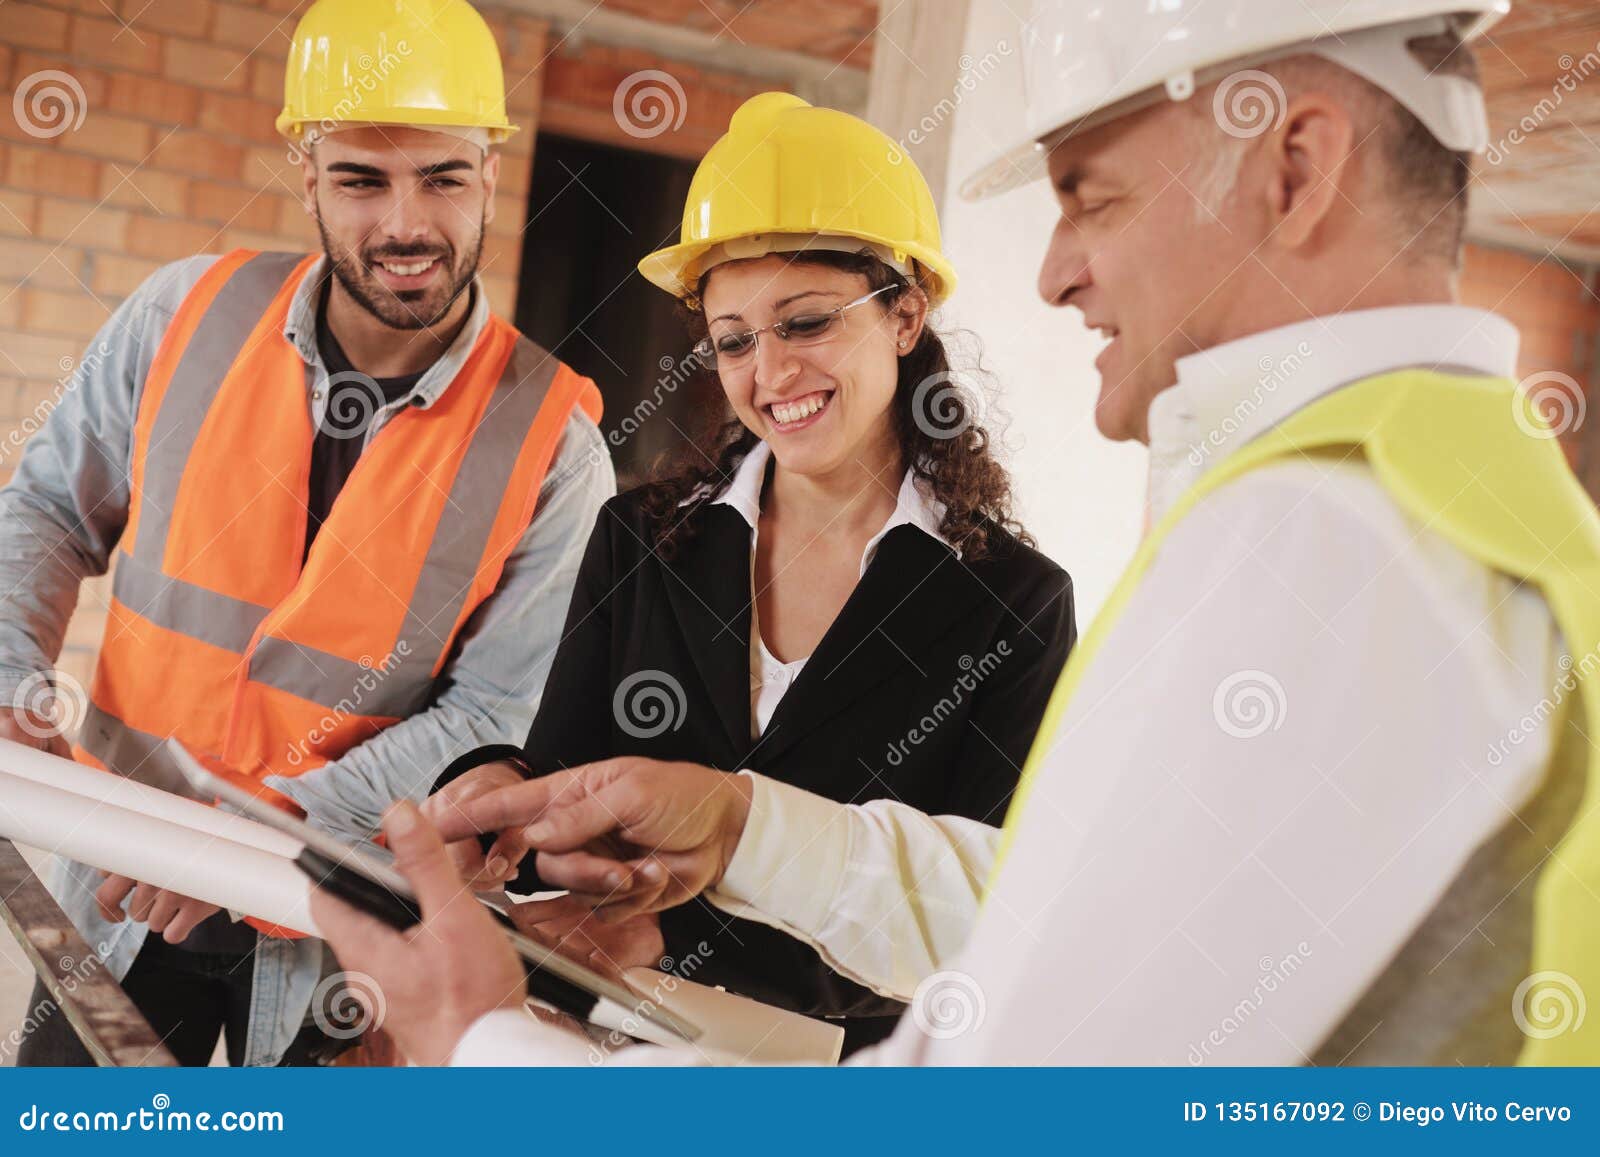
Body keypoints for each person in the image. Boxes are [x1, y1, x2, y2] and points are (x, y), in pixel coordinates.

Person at [312, 0, 1600, 1066]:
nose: (1051, 272)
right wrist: (741, 828)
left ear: (1296, 165)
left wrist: (480, 1041)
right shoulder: (1468, 503)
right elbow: (1041, 915)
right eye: (733, 337)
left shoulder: (1317, 544)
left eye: (1088, 197)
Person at [3, 0, 614, 1066]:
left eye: (444, 177)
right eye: (362, 179)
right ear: (305, 170)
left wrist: (252, 827)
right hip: (122, 890)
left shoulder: (555, 444)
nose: (406, 225)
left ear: (490, 170)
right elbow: (49, 509)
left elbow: (494, 710)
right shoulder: (180, 315)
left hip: (354, 929)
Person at [417, 92, 1077, 1055]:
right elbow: (564, 779)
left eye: (804, 323)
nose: (769, 373)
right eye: (732, 339)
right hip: (606, 1047)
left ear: (905, 314)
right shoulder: (641, 537)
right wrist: (490, 793)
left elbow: (974, 915)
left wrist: (675, 932)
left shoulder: (1014, 603)